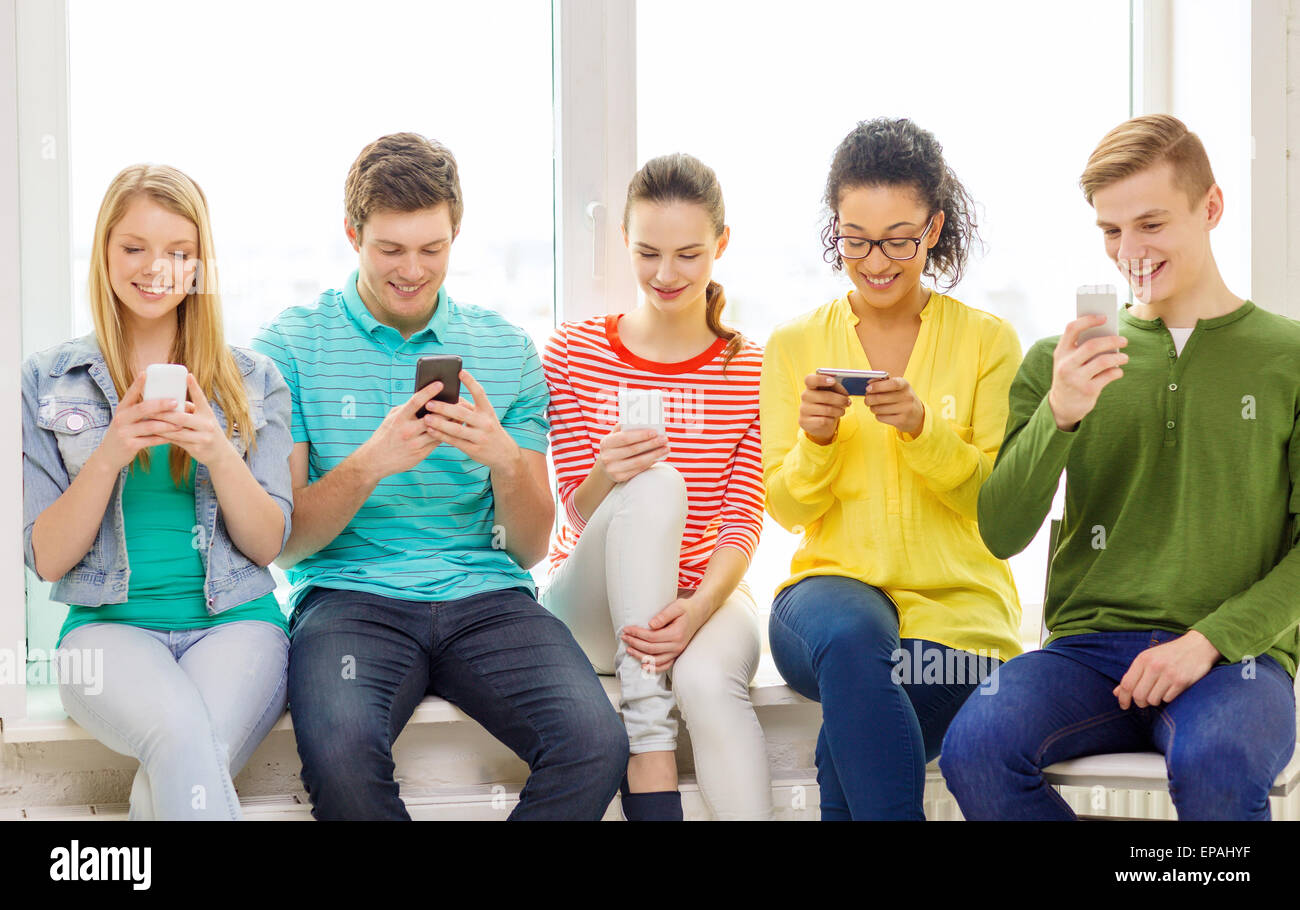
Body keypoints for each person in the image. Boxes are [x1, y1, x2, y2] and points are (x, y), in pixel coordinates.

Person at [251, 132, 627, 821]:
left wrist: (503, 459)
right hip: (347, 598)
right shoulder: (290, 346)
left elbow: (530, 546)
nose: (412, 271)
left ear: (457, 232)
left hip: (486, 597)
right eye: (390, 250)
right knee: (339, 759)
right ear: (351, 234)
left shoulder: (506, 348)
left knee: (596, 741)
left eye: (433, 249)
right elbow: (287, 545)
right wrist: (372, 461)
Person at [940, 114, 1300, 821]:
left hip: (1235, 661)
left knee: (1217, 763)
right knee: (975, 746)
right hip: (1085, 652)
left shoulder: (1286, 358)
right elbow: (1001, 530)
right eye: (1110, 230)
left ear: (1212, 208)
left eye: (1150, 224)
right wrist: (1061, 413)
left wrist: (1208, 643)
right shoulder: (1057, 362)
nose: (1128, 251)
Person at [760, 118, 1024, 820]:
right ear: (835, 229)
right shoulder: (793, 344)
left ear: (934, 228)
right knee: (853, 645)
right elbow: (785, 508)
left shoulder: (988, 342)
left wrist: (921, 429)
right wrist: (815, 442)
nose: (875, 261)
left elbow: (997, 506)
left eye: (898, 238)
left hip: (957, 627)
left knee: (843, 755)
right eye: (855, 239)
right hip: (830, 602)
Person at [21, 164, 294, 820]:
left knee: (172, 777)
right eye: (134, 247)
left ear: (201, 265)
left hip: (238, 625)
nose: (156, 268)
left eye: (179, 252)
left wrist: (217, 452)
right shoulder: (47, 382)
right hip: (107, 633)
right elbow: (47, 557)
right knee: (179, 742)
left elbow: (268, 543)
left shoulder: (256, 380)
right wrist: (111, 452)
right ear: (104, 254)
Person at [542, 153, 771, 821]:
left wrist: (696, 613)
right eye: (647, 252)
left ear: (721, 247)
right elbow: (575, 516)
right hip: (587, 607)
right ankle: (650, 748)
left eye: (688, 254)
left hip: (701, 595)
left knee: (705, 682)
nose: (666, 274)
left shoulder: (752, 369)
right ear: (624, 242)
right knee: (658, 482)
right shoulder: (573, 353)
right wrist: (607, 477)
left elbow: (741, 522)